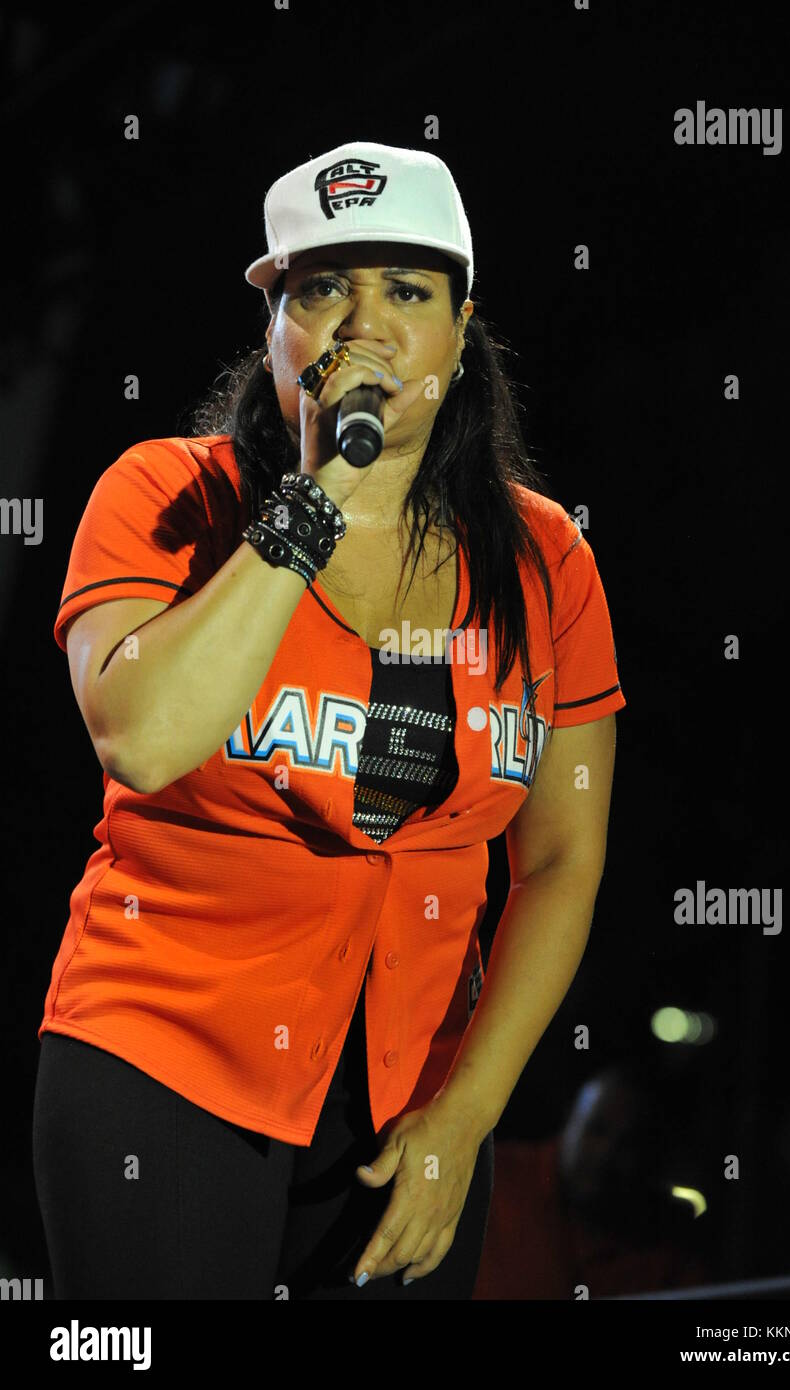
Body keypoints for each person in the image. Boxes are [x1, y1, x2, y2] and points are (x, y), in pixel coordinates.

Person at [32, 140, 627, 1300]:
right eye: (322, 289)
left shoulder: (548, 558)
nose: (364, 325)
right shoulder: (166, 497)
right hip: (165, 1060)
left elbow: (560, 855)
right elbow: (146, 738)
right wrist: (317, 498)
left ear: (461, 338)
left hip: (412, 1100)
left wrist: (467, 1117)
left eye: (407, 292)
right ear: (275, 333)